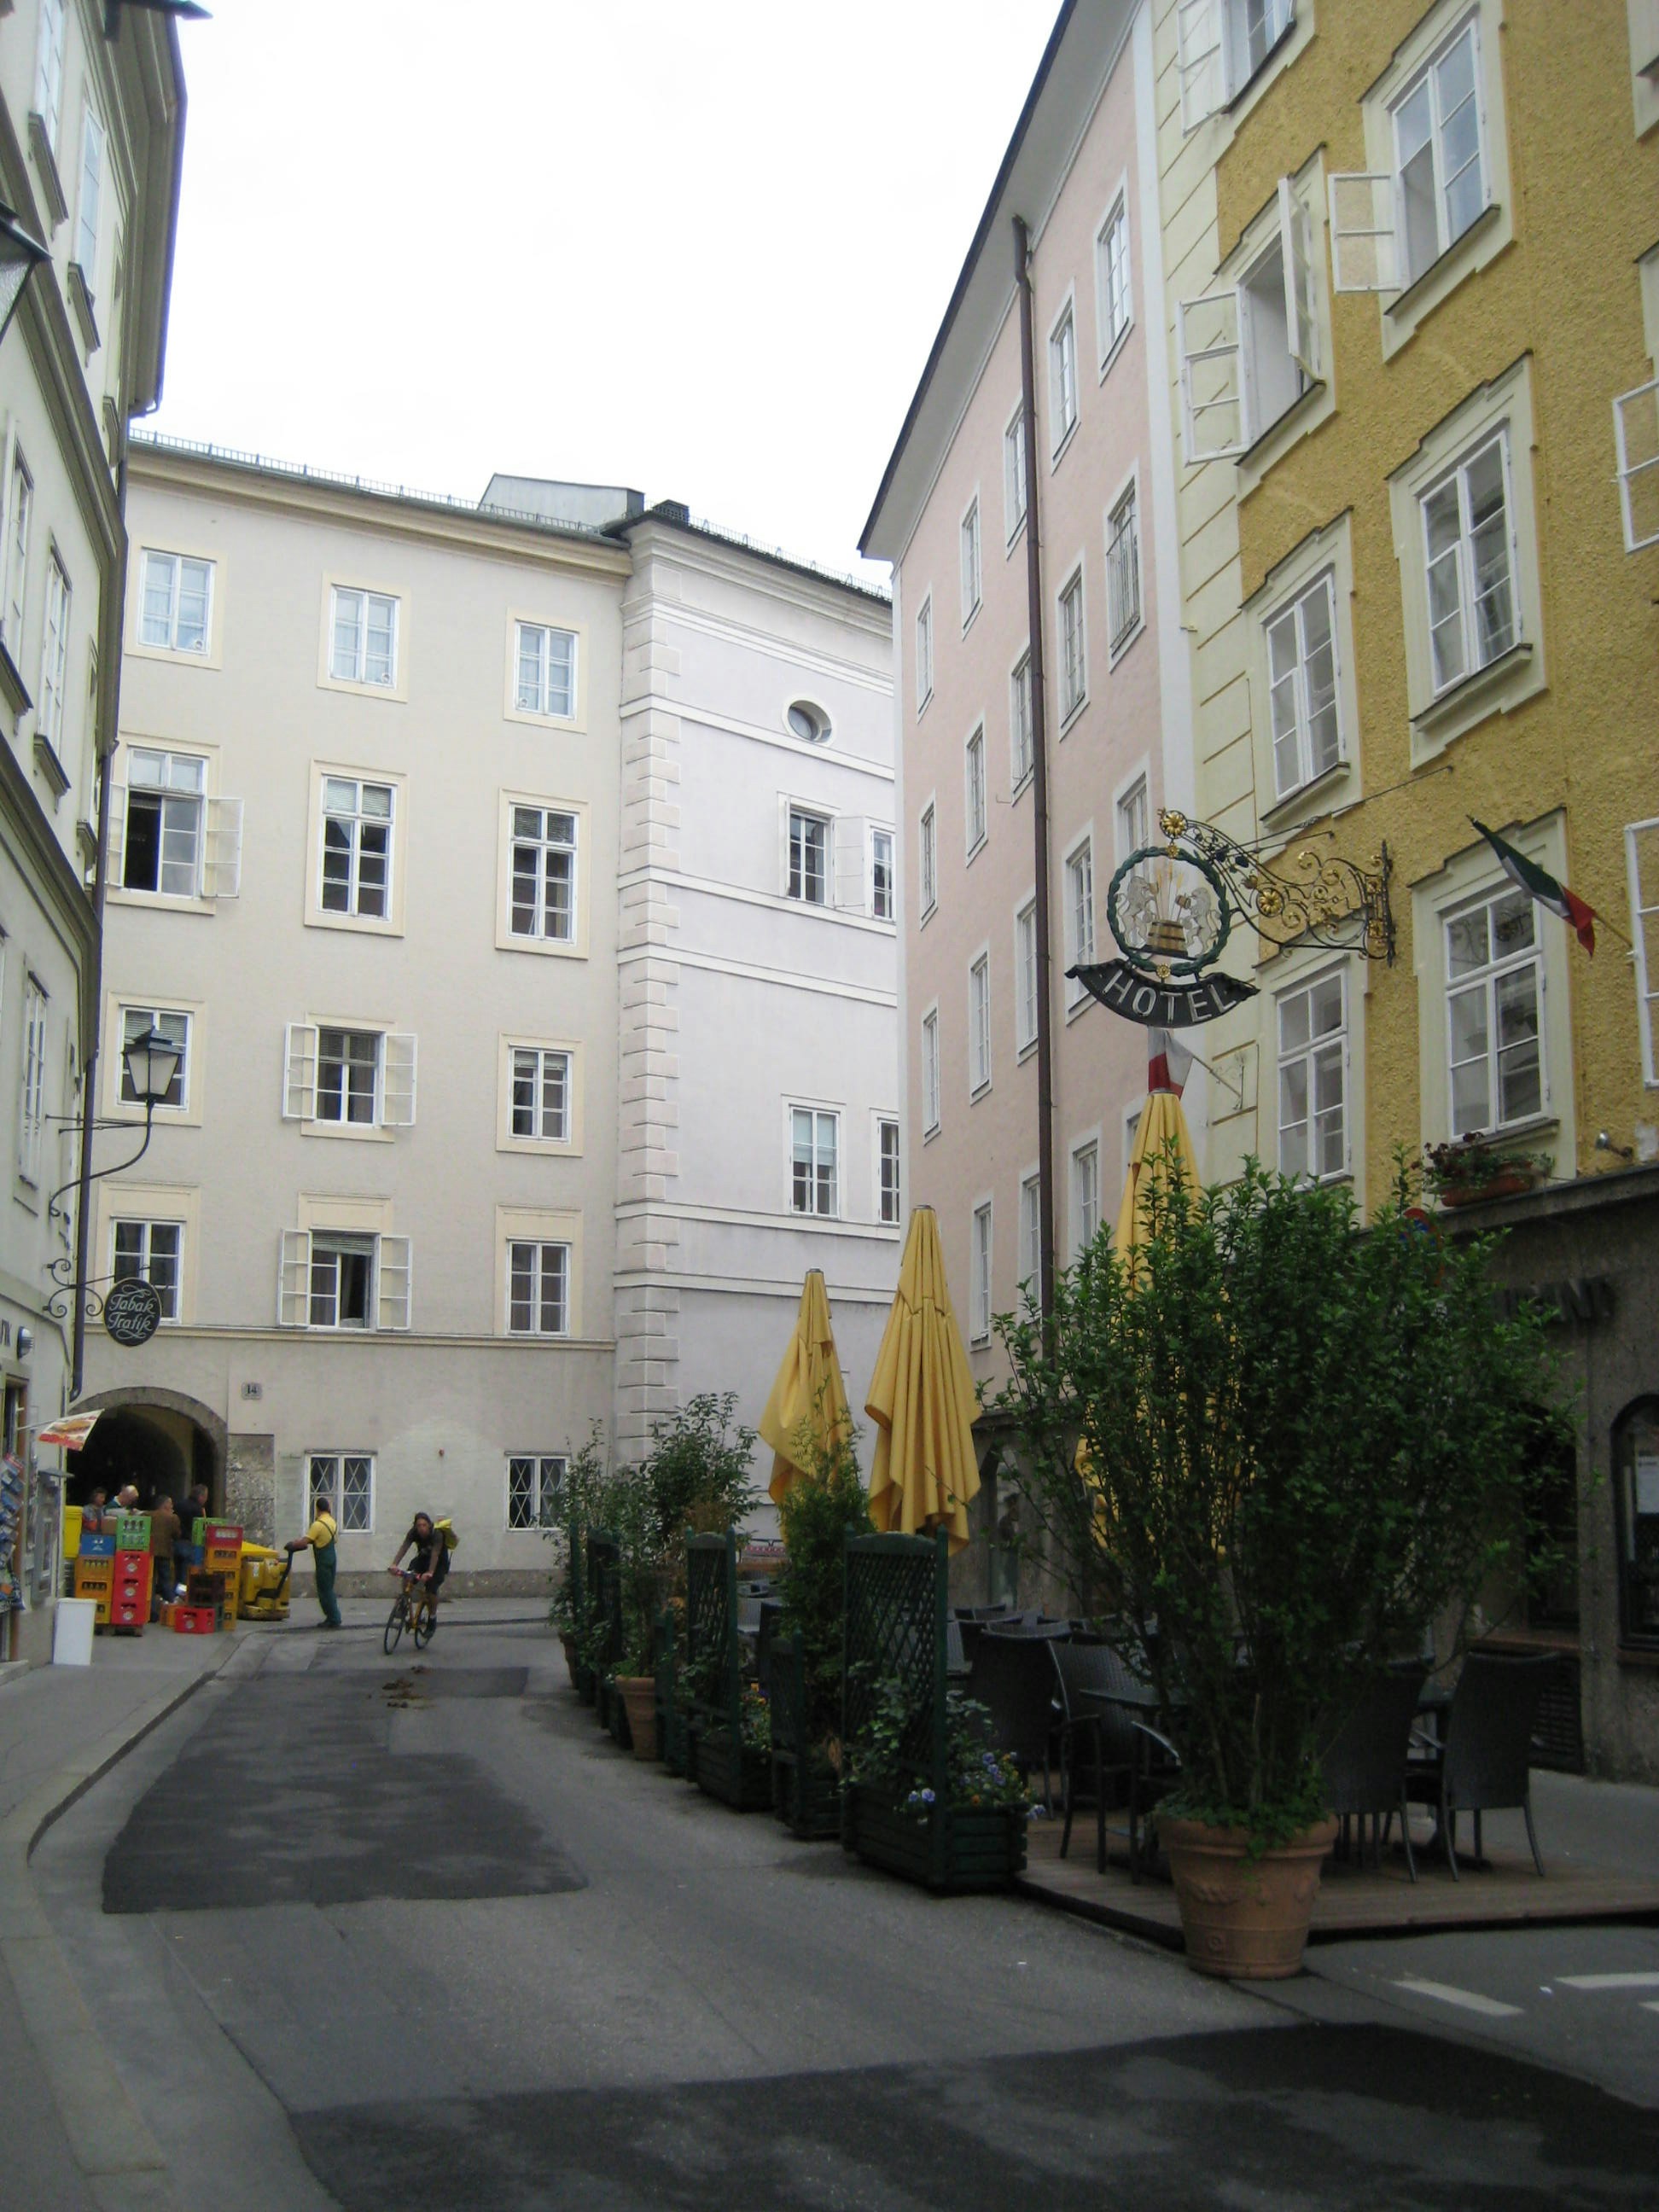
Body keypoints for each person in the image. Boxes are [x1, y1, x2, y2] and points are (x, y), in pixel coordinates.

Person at [388, 1512, 451, 1636]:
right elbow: (404, 1547)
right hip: (423, 1559)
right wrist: (394, 1564)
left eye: (424, 1525)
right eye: (418, 1526)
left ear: (429, 1525)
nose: (421, 1528)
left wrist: (430, 1572)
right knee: (407, 1576)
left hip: (438, 1563)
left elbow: (435, 1554)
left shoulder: (436, 1534)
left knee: (431, 1590)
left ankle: (432, 1619)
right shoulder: (414, 1532)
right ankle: (404, 1604)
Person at [284, 1498, 341, 1628]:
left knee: (324, 1590)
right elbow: (334, 1540)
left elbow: (305, 1542)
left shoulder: (318, 1524)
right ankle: (333, 1616)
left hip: (323, 1561)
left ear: (318, 1509)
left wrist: (293, 1545)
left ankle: (333, 1618)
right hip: (332, 1559)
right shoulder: (333, 1523)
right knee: (329, 1589)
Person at [148, 1493, 182, 1619]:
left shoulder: (146, 1515)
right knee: (165, 1580)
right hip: (164, 1553)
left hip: (149, 1552)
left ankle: (150, 1610)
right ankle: (172, 1606)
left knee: (150, 1581)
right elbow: (177, 1535)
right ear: (165, 1505)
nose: (172, 1506)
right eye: (170, 1503)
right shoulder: (173, 1518)